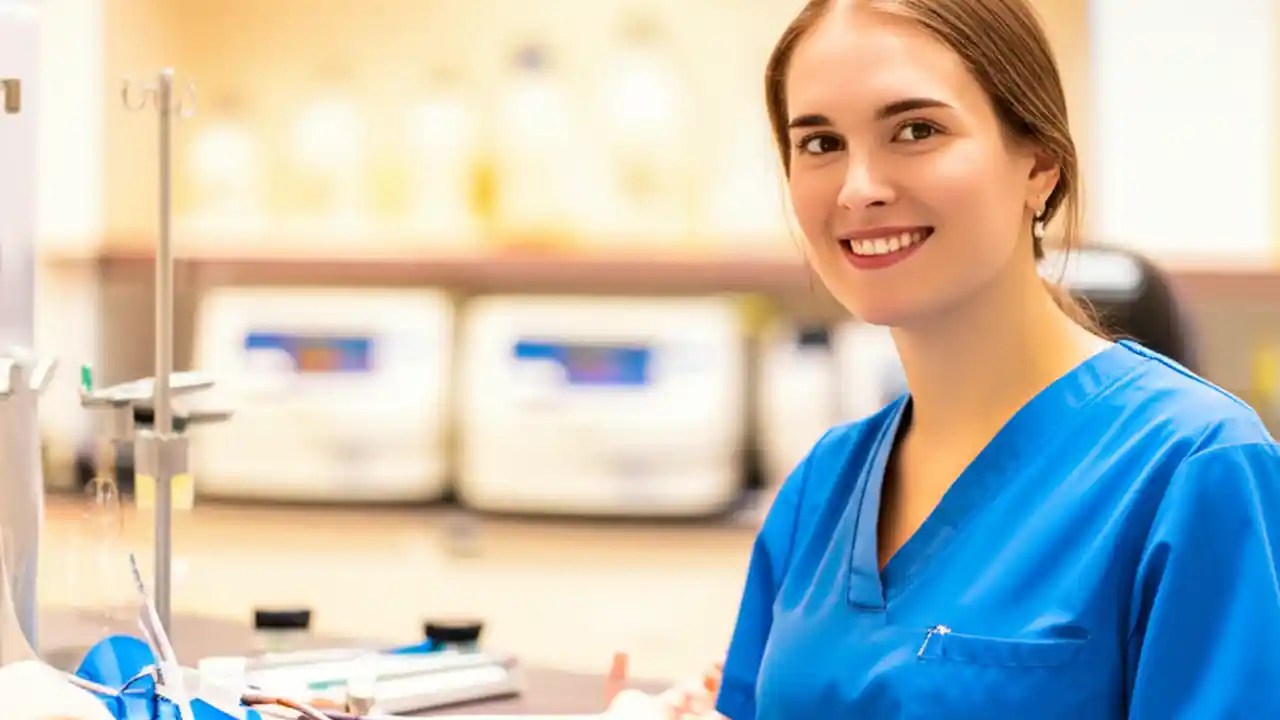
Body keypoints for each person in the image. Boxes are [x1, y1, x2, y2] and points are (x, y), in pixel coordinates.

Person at [604, 0, 1280, 717]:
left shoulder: (1195, 468)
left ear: (1040, 164)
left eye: (916, 130)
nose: (858, 187)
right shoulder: (820, 490)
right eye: (821, 144)